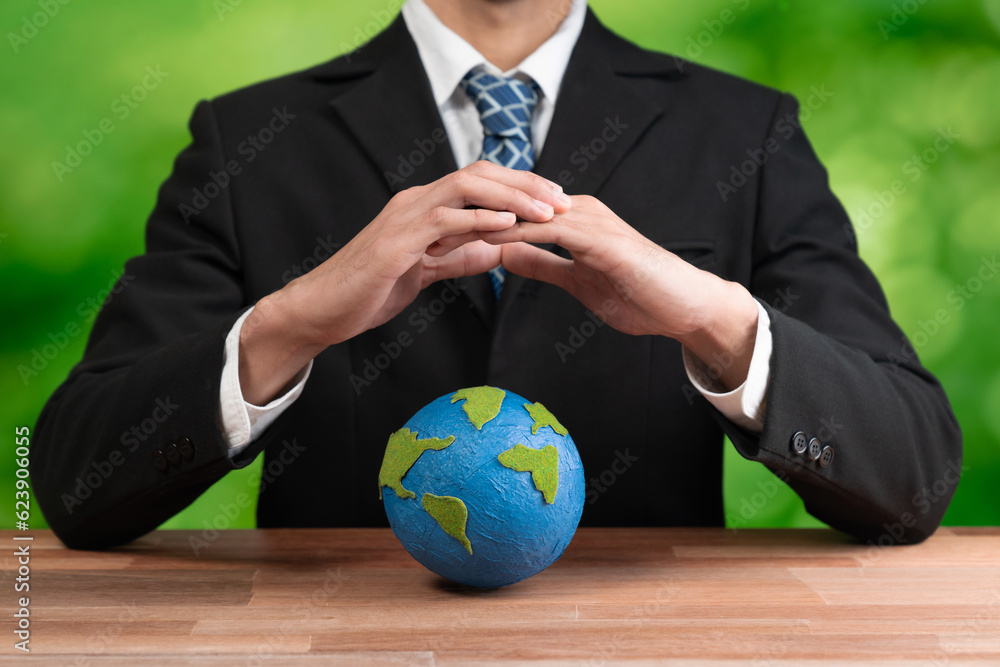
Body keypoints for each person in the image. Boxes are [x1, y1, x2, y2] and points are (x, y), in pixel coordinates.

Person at [33, 0, 961, 550]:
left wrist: (718, 321)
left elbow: (913, 478)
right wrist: (292, 322)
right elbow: (76, 482)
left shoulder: (742, 132)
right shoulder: (250, 139)